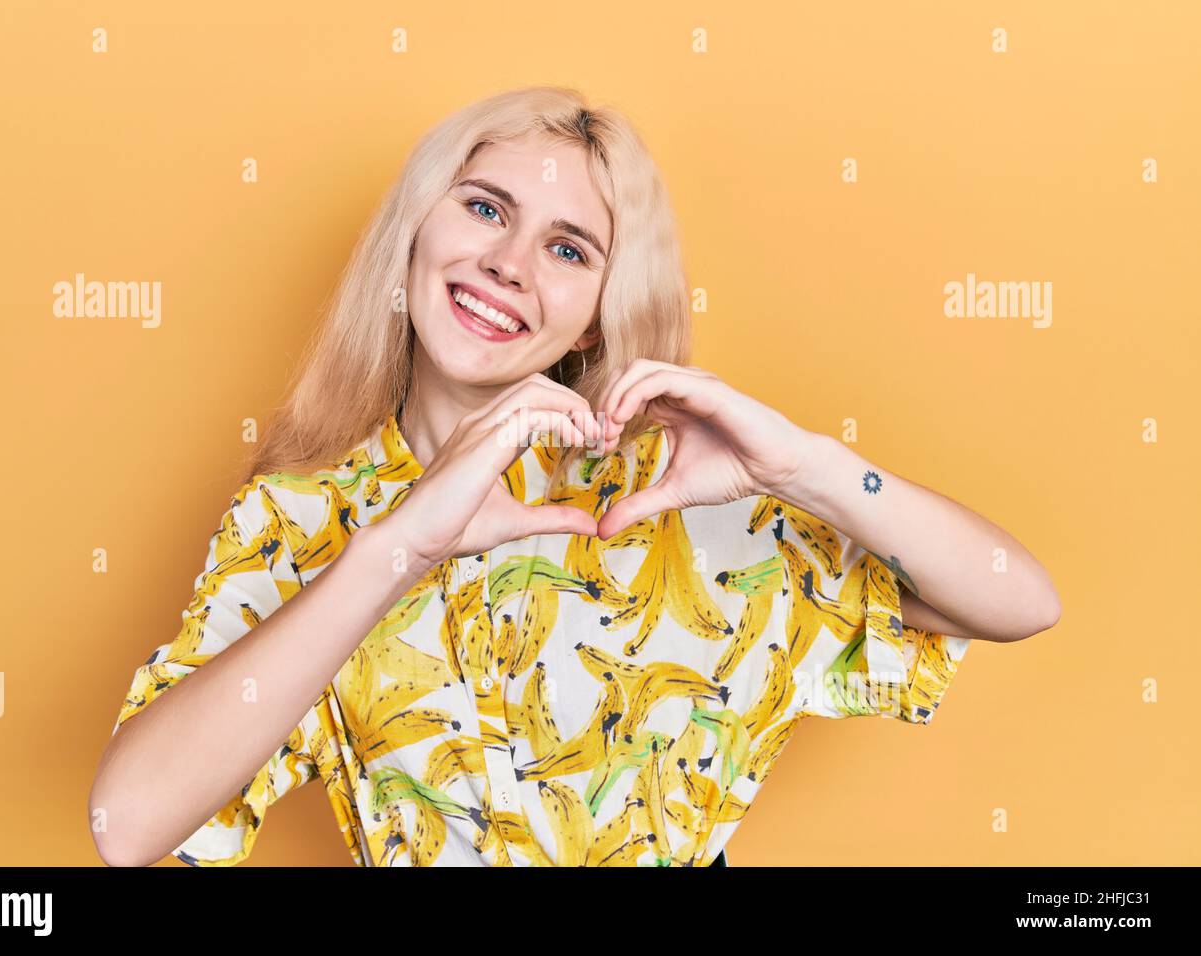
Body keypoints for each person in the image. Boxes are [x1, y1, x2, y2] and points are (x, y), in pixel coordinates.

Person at [89, 86, 1061, 868]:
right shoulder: (302, 516)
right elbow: (127, 824)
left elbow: (1019, 598)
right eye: (483, 208)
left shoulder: (684, 493)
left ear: (598, 311)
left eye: (566, 248)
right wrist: (395, 545)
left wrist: (812, 466)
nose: (508, 263)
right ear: (414, 234)